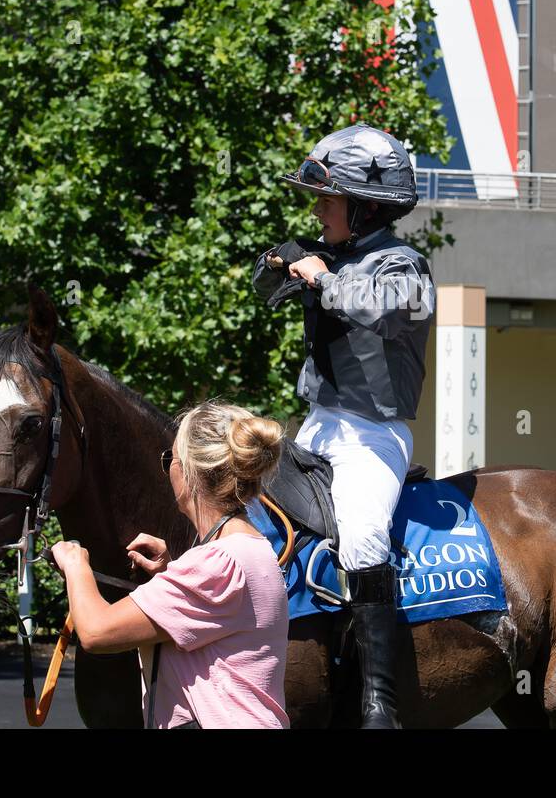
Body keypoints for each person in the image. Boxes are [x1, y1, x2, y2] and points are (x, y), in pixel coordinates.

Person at [252, 122, 435, 729]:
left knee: (360, 540)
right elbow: (264, 291)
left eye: (328, 200)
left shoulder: (406, 268)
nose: (319, 210)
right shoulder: (329, 254)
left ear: (363, 206)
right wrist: (281, 260)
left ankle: (380, 701)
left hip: (372, 437)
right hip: (316, 427)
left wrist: (320, 277)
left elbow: (376, 308)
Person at [49, 401, 290, 729]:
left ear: (189, 471)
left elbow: (95, 631)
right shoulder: (250, 548)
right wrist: (168, 573)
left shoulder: (216, 564)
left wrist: (76, 563)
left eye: (170, 460)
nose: (168, 470)